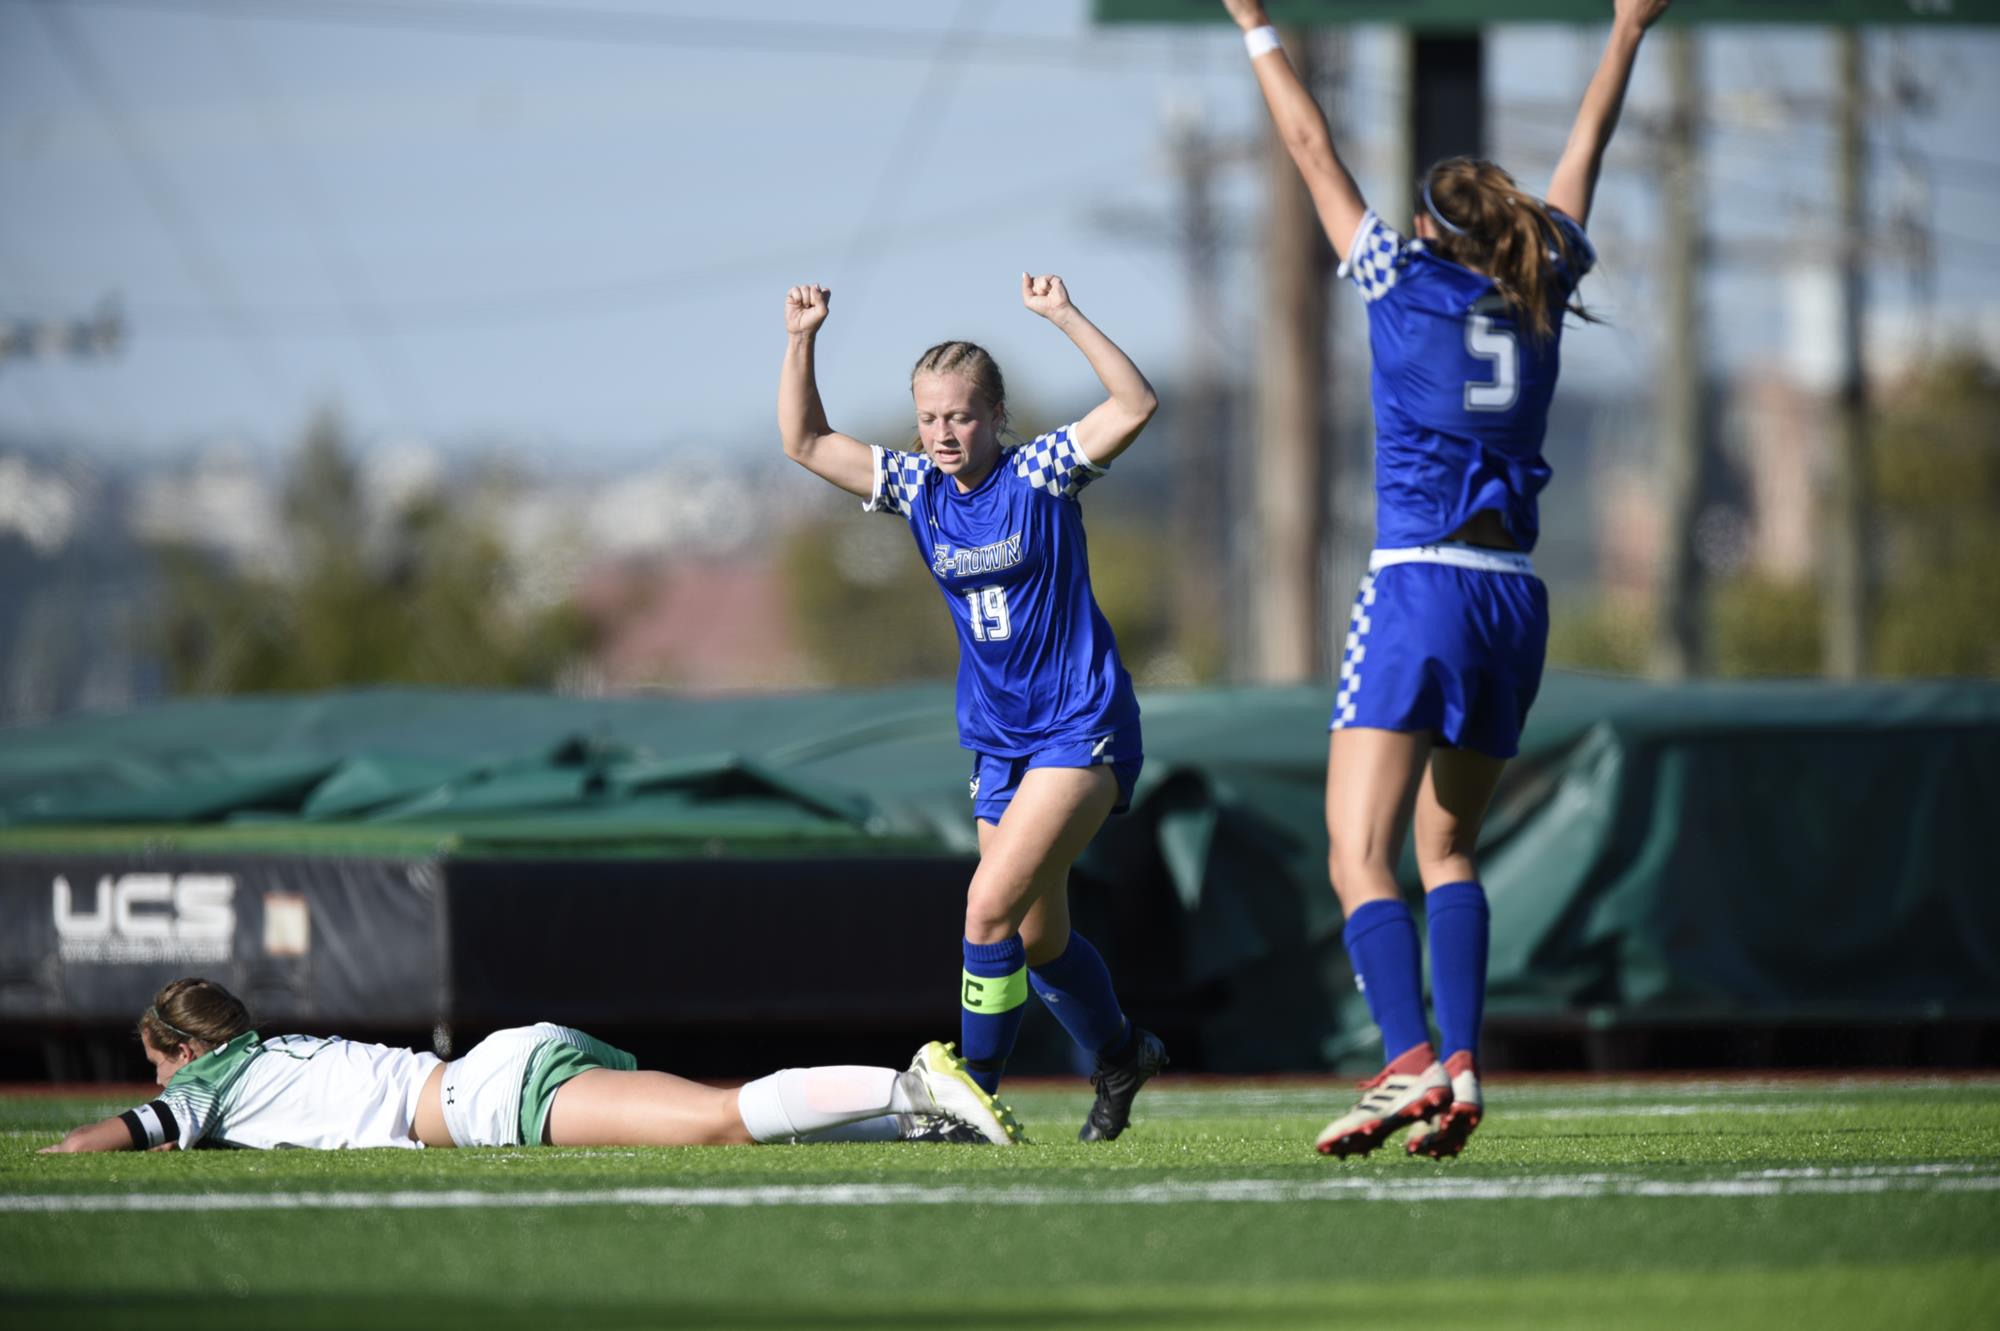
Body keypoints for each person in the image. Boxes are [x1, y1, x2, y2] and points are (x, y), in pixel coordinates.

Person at [1220, 0, 1670, 1158]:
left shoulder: (1395, 282)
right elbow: (1584, 158)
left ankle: (1407, 1058)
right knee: (1447, 845)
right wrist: (1625, 32)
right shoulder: (1538, 283)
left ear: (1423, 231)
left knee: (1354, 849)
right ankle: (1462, 1066)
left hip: (1418, 582)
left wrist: (1257, 25)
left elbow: (1311, 149)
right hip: (1511, 599)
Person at [777, 273, 1167, 1141]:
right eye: (928, 417)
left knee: (986, 907)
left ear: (995, 416)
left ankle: (971, 1090)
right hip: (998, 742)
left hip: (1081, 725)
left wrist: (1063, 314)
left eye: (959, 415)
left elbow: (1135, 401)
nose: (942, 433)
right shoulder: (917, 489)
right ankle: (1119, 1051)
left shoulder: (1042, 472)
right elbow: (803, 439)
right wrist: (802, 338)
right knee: (1033, 937)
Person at [39, 977, 1020, 1153]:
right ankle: (912, 1117)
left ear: (183, 1050)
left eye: (157, 1065)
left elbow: (110, 1136)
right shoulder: (268, 1047)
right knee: (719, 1110)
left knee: (716, 1119)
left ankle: (913, 1081)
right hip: (500, 1065)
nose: (159, 1084)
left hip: (488, 1096)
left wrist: (45, 1157)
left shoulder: (210, 1080)